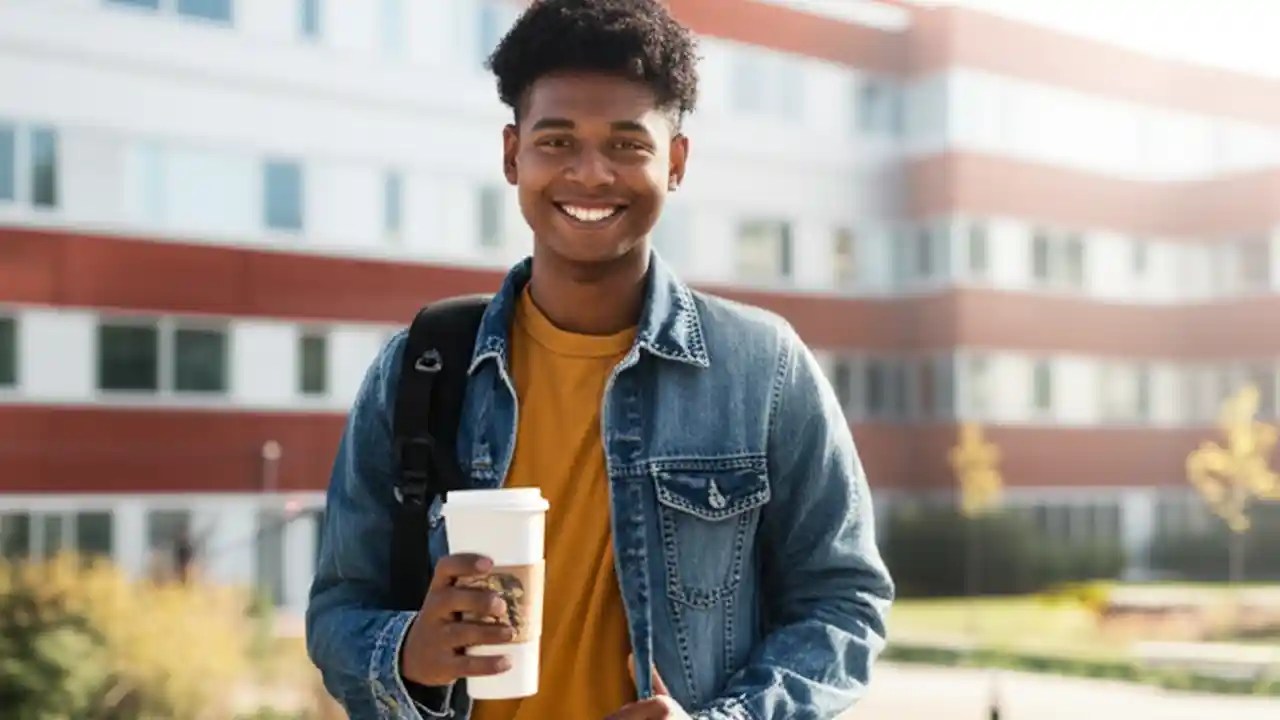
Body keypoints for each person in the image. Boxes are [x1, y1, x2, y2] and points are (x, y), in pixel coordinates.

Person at [305, 1, 894, 718]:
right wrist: (407, 652)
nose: (590, 174)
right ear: (511, 154)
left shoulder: (763, 369)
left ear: (674, 161)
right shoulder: (421, 368)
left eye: (625, 145)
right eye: (556, 142)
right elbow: (339, 610)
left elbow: (843, 603)